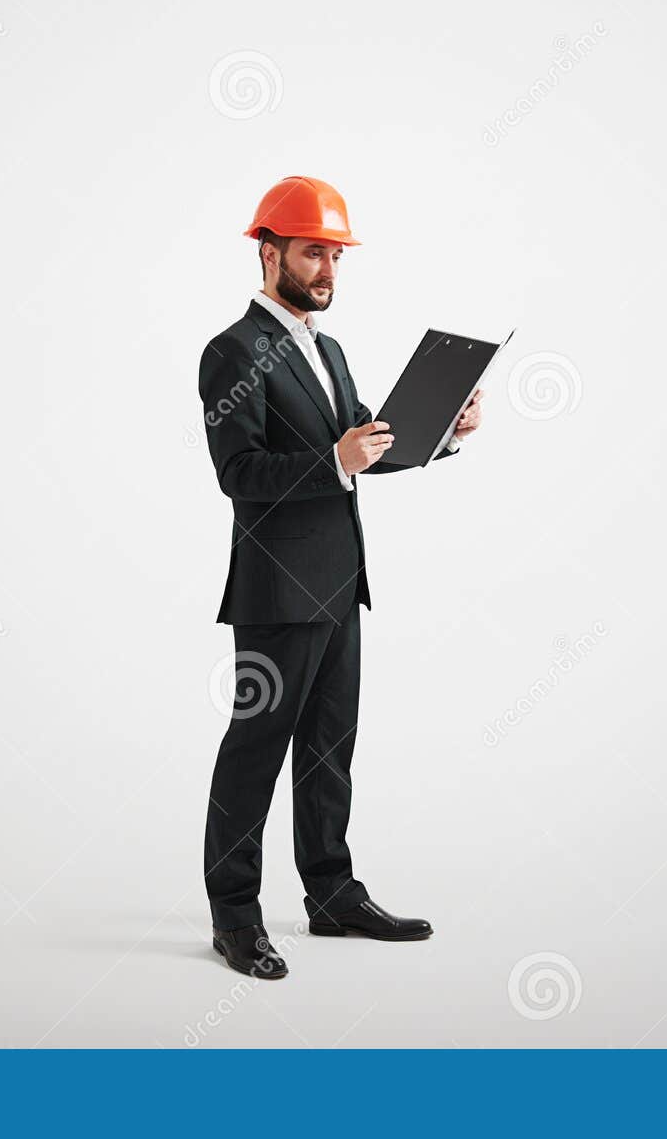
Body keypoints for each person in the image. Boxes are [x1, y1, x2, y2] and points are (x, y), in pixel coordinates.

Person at [197, 176, 485, 979]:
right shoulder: (233, 352)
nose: (327, 266)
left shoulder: (328, 349)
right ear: (269, 252)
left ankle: (330, 895)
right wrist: (334, 459)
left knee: (329, 749)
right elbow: (239, 471)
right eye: (312, 251)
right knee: (256, 750)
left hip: (339, 581)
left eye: (334, 252)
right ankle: (234, 916)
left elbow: (367, 453)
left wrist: (443, 433)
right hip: (275, 591)